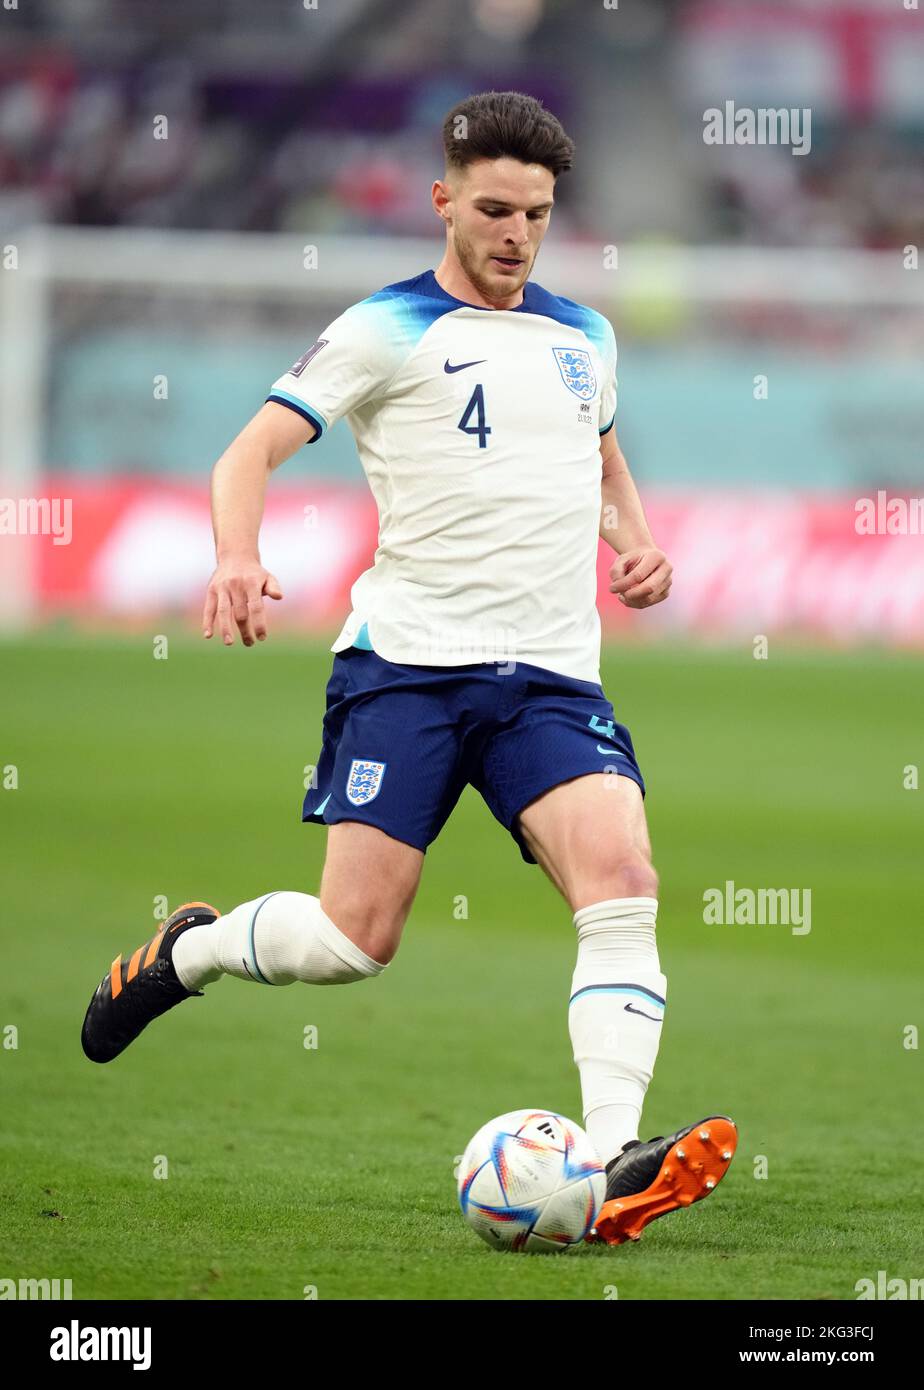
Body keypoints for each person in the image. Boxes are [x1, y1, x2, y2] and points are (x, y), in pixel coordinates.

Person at [81, 90, 736, 1246]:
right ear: (442, 200)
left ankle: (612, 1159)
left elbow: (602, 459)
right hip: (408, 674)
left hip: (550, 680)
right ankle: (192, 948)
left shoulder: (587, 335)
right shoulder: (385, 328)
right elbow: (250, 449)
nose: (516, 234)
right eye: (493, 209)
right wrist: (237, 554)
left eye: (535, 213)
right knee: (352, 942)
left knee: (624, 882)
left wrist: (631, 540)